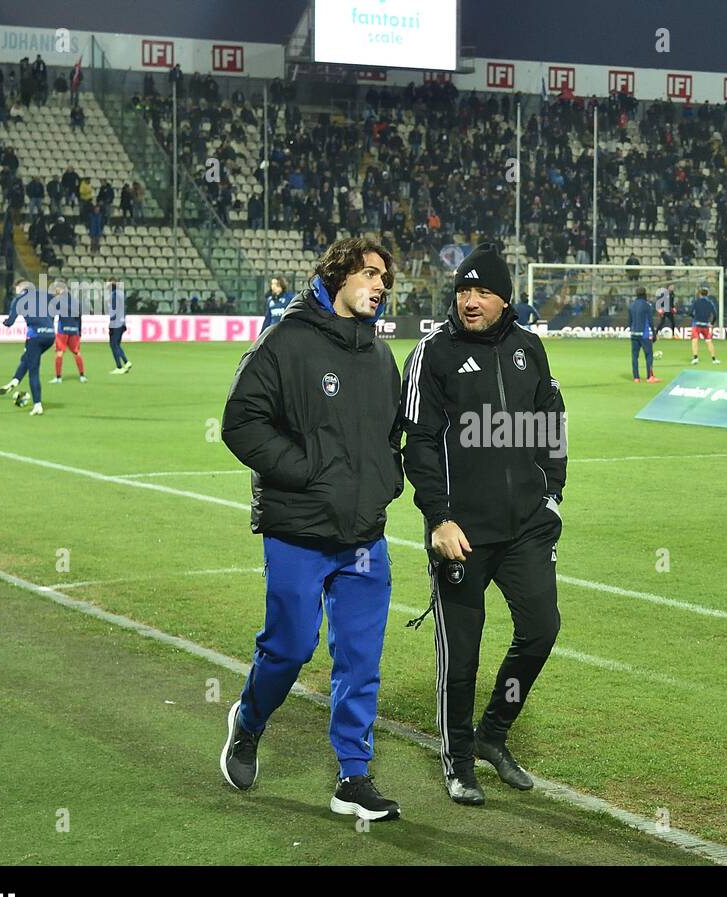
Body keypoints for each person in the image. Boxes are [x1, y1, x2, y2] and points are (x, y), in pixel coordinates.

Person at [218, 237, 404, 822]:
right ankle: (248, 722)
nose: (378, 286)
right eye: (370, 274)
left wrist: (385, 481)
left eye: (385, 281)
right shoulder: (286, 341)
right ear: (339, 272)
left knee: (360, 658)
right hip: (298, 529)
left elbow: (389, 436)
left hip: (364, 539)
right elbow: (240, 422)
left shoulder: (379, 355)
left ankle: (353, 775)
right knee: (291, 646)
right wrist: (306, 472)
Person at [398, 243, 567, 806]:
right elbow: (418, 441)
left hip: (524, 528)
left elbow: (551, 420)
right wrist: (438, 519)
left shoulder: (529, 349)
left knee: (540, 630)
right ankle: (458, 760)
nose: (470, 302)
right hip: (461, 535)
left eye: (482, 292)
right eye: (463, 291)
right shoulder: (432, 353)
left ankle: (493, 734)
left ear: (504, 298)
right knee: (462, 654)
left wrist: (554, 495)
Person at [0, 279, 56, 415]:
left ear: (19, 288)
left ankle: (37, 405)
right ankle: (14, 381)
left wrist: (5, 322)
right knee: (27, 358)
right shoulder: (43, 294)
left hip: (35, 336)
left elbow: (10, 322)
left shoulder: (18, 299)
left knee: (33, 370)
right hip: (50, 336)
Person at [51, 281, 86, 383]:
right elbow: (79, 318)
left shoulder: (58, 300)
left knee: (59, 353)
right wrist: (79, 331)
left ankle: (58, 378)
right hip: (74, 330)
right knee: (77, 352)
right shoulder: (75, 301)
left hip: (63, 330)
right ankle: (82, 376)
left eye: (56, 288)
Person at [628, 287, 660, 383]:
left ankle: (636, 377)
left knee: (634, 356)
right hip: (644, 334)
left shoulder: (631, 305)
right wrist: (654, 334)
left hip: (634, 333)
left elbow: (629, 322)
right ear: (644, 294)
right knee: (649, 354)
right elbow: (650, 321)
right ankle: (650, 377)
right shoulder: (647, 306)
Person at [688, 286, 720, 365]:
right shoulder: (710, 303)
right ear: (707, 294)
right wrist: (711, 323)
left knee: (695, 340)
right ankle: (714, 359)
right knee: (709, 341)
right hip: (706, 325)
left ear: (700, 293)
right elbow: (715, 315)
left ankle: (695, 358)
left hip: (697, 324)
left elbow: (690, 312)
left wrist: (695, 318)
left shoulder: (696, 302)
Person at [106, 277, 132, 373]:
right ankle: (125, 363)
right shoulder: (121, 294)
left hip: (116, 323)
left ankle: (120, 366)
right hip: (122, 322)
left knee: (113, 344)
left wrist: (111, 323)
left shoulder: (114, 295)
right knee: (116, 344)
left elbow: (114, 310)